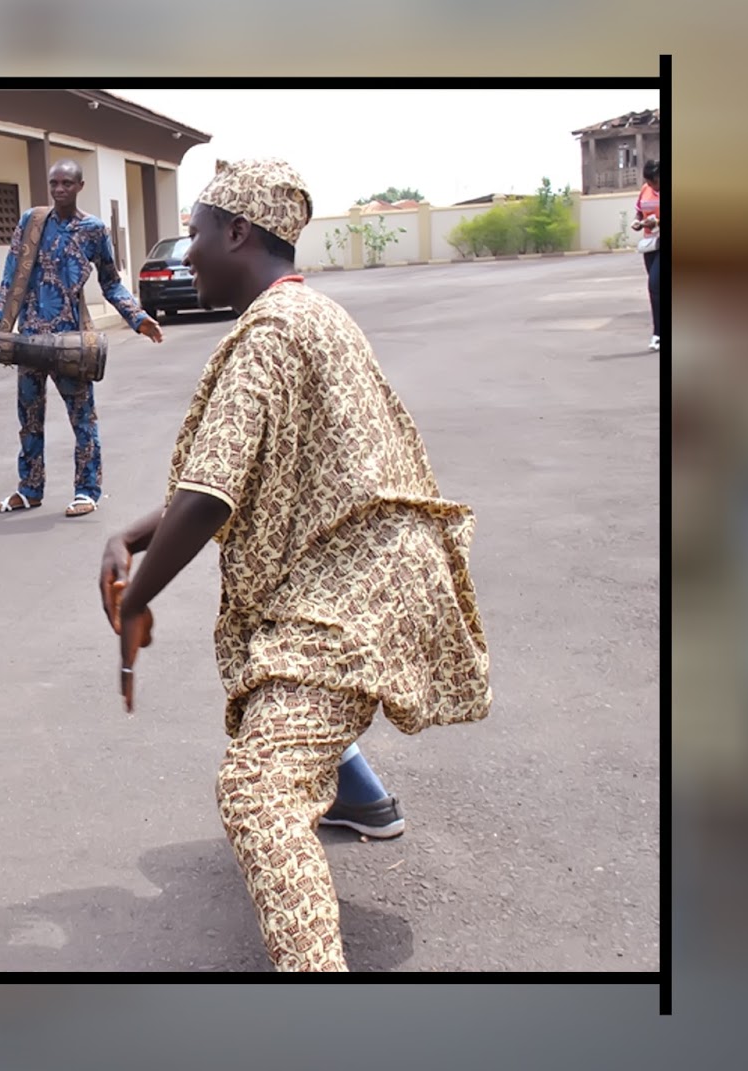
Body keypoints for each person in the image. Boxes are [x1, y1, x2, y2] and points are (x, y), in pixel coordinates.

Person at [100, 158, 492, 971]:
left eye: (196, 233)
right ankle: (361, 796)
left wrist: (137, 598)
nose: (188, 252)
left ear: (237, 231)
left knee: (259, 788)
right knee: (265, 678)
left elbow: (209, 496)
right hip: (381, 573)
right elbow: (228, 475)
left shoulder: (268, 336)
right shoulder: (313, 313)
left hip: (351, 589)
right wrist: (134, 536)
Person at [0, 160, 164, 518]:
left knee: (82, 418)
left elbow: (111, 282)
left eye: (67, 183)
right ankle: (29, 489)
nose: (59, 189)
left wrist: (138, 318)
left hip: (72, 341)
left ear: (80, 185)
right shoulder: (31, 222)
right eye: (54, 183)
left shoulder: (93, 231)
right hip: (30, 340)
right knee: (29, 418)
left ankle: (87, 491)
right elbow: (10, 278)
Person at [631, 159, 661, 352]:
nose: (650, 185)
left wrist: (656, 222)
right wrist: (637, 222)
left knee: (655, 283)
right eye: (648, 182)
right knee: (655, 288)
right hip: (650, 245)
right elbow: (639, 212)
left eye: (653, 181)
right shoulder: (645, 190)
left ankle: (657, 333)